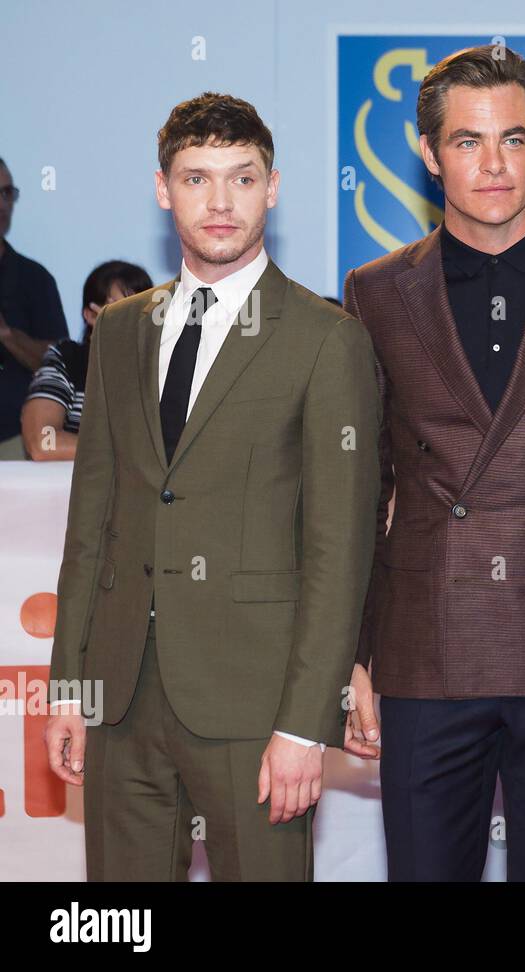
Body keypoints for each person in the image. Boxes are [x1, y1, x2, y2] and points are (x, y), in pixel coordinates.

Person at [43, 92, 381, 881]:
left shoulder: (326, 339)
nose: (220, 201)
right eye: (197, 179)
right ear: (164, 189)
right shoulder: (121, 331)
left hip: (257, 706)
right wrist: (71, 688)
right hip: (121, 698)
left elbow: (339, 552)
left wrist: (306, 724)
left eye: (242, 177)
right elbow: (90, 525)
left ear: (274, 186)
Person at [341, 45, 525, 881]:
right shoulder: (373, 290)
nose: (494, 163)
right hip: (424, 652)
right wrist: (358, 653)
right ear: (431, 153)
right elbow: (361, 487)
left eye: (513, 140)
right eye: (468, 142)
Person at [22, 260, 152, 460]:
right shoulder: (68, 359)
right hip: (76, 487)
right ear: (91, 315)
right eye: (121, 308)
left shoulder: (163, 362)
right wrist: (125, 454)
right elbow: (43, 442)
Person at [0, 156, 69, 446]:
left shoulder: (34, 278)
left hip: (13, 441)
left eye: (7, 193)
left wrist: (6, 334)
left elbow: (59, 362)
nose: (3, 204)